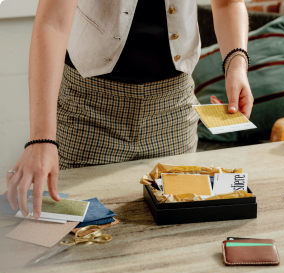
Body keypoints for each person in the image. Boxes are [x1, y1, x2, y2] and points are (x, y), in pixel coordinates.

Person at [5, 0, 253, 219]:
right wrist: (42, 138)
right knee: (78, 241)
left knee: (170, 238)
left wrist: (236, 64)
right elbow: (52, 22)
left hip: (173, 114)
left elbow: (228, 3)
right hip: (88, 112)